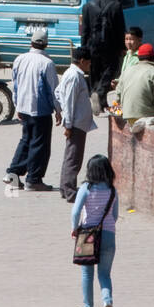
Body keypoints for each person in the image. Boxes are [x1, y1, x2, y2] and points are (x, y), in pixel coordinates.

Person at [5, 27, 59, 191]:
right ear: (46, 45)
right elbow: (54, 90)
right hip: (40, 110)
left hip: (24, 108)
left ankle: (13, 174)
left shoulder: (20, 59)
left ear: (31, 42)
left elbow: (15, 84)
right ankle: (34, 179)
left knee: (26, 141)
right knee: (39, 145)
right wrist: (59, 110)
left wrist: (17, 106)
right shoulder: (47, 63)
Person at [71, 155, 118, 307]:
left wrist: (74, 228)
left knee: (87, 273)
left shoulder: (86, 188)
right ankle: (108, 302)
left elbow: (76, 211)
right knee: (104, 274)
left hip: (88, 235)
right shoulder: (112, 190)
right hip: (109, 235)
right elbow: (115, 215)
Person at [81, 0, 126, 113]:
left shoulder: (88, 7)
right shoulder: (116, 6)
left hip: (93, 46)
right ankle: (100, 94)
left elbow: (85, 30)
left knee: (96, 72)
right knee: (110, 71)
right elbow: (120, 29)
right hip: (111, 46)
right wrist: (122, 47)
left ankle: (100, 101)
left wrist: (84, 48)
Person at [56, 47, 95, 201]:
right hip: (76, 124)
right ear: (83, 61)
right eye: (88, 64)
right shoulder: (75, 76)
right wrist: (68, 124)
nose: (89, 67)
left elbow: (58, 93)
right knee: (73, 159)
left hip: (77, 123)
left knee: (71, 157)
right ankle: (70, 192)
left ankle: (65, 188)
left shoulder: (71, 74)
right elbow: (69, 101)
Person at [115, 43, 154, 126]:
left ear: (138, 58)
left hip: (126, 115)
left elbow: (117, 99)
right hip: (147, 115)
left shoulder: (126, 72)